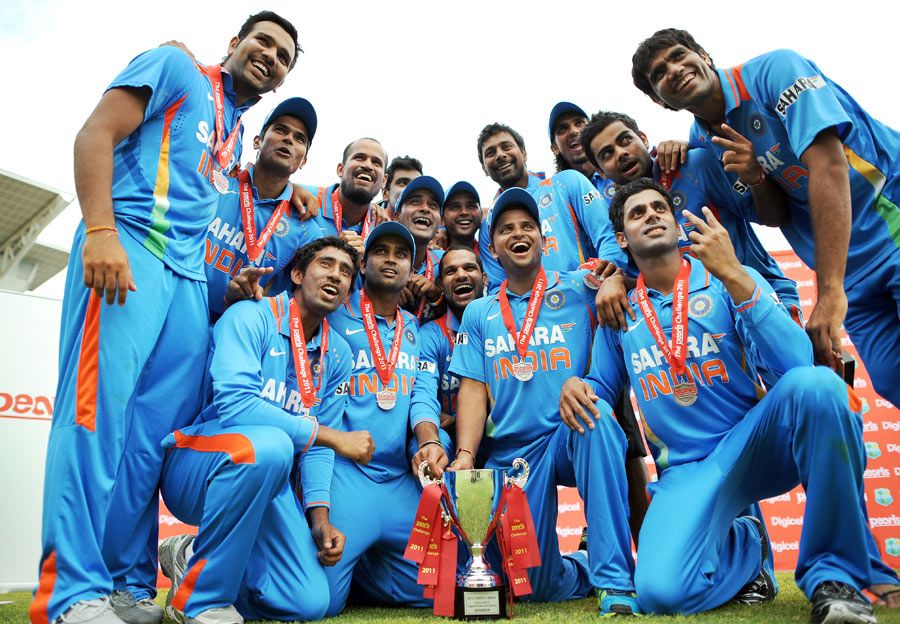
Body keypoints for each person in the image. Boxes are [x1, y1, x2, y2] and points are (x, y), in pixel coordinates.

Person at [31, 12, 303, 624]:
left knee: (146, 445)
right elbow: (95, 133)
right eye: (263, 41)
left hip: (185, 284)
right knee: (93, 417)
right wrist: (100, 229)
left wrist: (224, 283)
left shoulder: (233, 132)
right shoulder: (176, 66)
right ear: (233, 44)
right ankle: (69, 592)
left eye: (284, 55)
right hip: (128, 247)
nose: (271, 55)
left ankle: (127, 585)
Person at [561, 178, 886, 622]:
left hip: (753, 445)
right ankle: (745, 546)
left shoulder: (727, 277)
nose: (652, 216)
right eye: (637, 213)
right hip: (687, 471)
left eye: (660, 208)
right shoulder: (620, 311)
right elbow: (599, 386)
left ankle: (835, 579)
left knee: (822, 388)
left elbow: (796, 365)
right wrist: (576, 387)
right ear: (621, 239)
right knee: (660, 594)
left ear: (678, 225)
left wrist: (734, 274)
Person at [631, 28, 900, 406]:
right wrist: (757, 178)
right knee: (890, 378)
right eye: (659, 74)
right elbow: (774, 216)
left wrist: (829, 290)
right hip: (852, 273)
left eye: (678, 56)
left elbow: (828, 165)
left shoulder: (775, 70)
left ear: (704, 56)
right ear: (661, 102)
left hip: (890, 223)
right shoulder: (703, 145)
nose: (672, 70)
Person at [156, 238, 374, 623]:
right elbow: (237, 405)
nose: (336, 276)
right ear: (296, 274)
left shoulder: (336, 353)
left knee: (308, 603)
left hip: (266, 478)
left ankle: (191, 555)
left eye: (346, 273)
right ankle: (200, 602)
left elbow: (318, 450)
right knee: (272, 446)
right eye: (326, 264)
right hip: (198, 466)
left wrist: (319, 520)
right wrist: (334, 437)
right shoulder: (252, 315)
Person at [449, 188, 638, 615]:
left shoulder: (580, 286)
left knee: (599, 418)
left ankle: (616, 582)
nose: (518, 234)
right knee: (530, 584)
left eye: (527, 226)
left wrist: (614, 278)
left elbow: (635, 275)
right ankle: (583, 567)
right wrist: (464, 454)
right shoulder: (480, 312)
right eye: (505, 229)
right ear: (492, 247)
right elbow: (474, 389)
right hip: (515, 452)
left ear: (542, 238)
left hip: (567, 433)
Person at [323, 222, 449, 615]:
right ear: (363, 263)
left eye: (401, 253)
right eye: (381, 251)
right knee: (322, 601)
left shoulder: (415, 329)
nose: (390, 259)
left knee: (439, 593)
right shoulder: (333, 314)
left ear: (413, 268)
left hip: (398, 480)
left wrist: (429, 440)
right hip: (346, 475)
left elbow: (423, 396)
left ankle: (364, 568)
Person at [579, 110, 801, 327]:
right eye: (607, 154)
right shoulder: (618, 216)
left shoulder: (696, 164)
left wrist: (756, 178)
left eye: (625, 140)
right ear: (601, 172)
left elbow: (774, 217)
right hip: (698, 322)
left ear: (644, 139)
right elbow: (643, 280)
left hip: (761, 296)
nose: (620, 153)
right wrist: (614, 280)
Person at [205, 97, 323, 321]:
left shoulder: (305, 227)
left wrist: (254, 301)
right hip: (178, 304)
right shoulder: (220, 178)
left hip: (236, 332)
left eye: (299, 139)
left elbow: (300, 299)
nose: (289, 139)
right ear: (257, 141)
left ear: (304, 160)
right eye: (280, 130)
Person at [475, 122, 626, 292]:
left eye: (506, 147)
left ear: (524, 153)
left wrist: (608, 281)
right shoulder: (488, 224)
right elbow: (498, 288)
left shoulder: (567, 182)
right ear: (484, 169)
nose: (500, 155)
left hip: (589, 298)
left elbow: (608, 236)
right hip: (532, 315)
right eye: (490, 153)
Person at [418, 246, 486, 444]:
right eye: (451, 271)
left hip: (495, 433)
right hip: (447, 435)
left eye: (469, 268)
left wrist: (463, 419)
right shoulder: (430, 334)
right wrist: (429, 428)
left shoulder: (502, 325)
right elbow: (423, 390)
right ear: (440, 285)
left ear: (485, 279)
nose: (461, 275)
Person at [303, 138, 388, 258]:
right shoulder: (303, 198)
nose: (368, 165)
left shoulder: (383, 227)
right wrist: (291, 189)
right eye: (359, 157)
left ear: (384, 181)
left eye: (376, 162)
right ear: (340, 169)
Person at [391, 175, 446, 323]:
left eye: (433, 206)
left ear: (440, 222)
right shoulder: (373, 256)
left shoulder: (445, 261)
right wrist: (385, 292)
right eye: (415, 202)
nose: (425, 209)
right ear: (396, 216)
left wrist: (436, 295)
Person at [441, 181, 482, 251]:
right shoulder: (431, 257)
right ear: (442, 219)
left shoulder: (494, 253)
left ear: (481, 215)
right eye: (455, 207)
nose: (464, 212)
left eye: (471, 206)